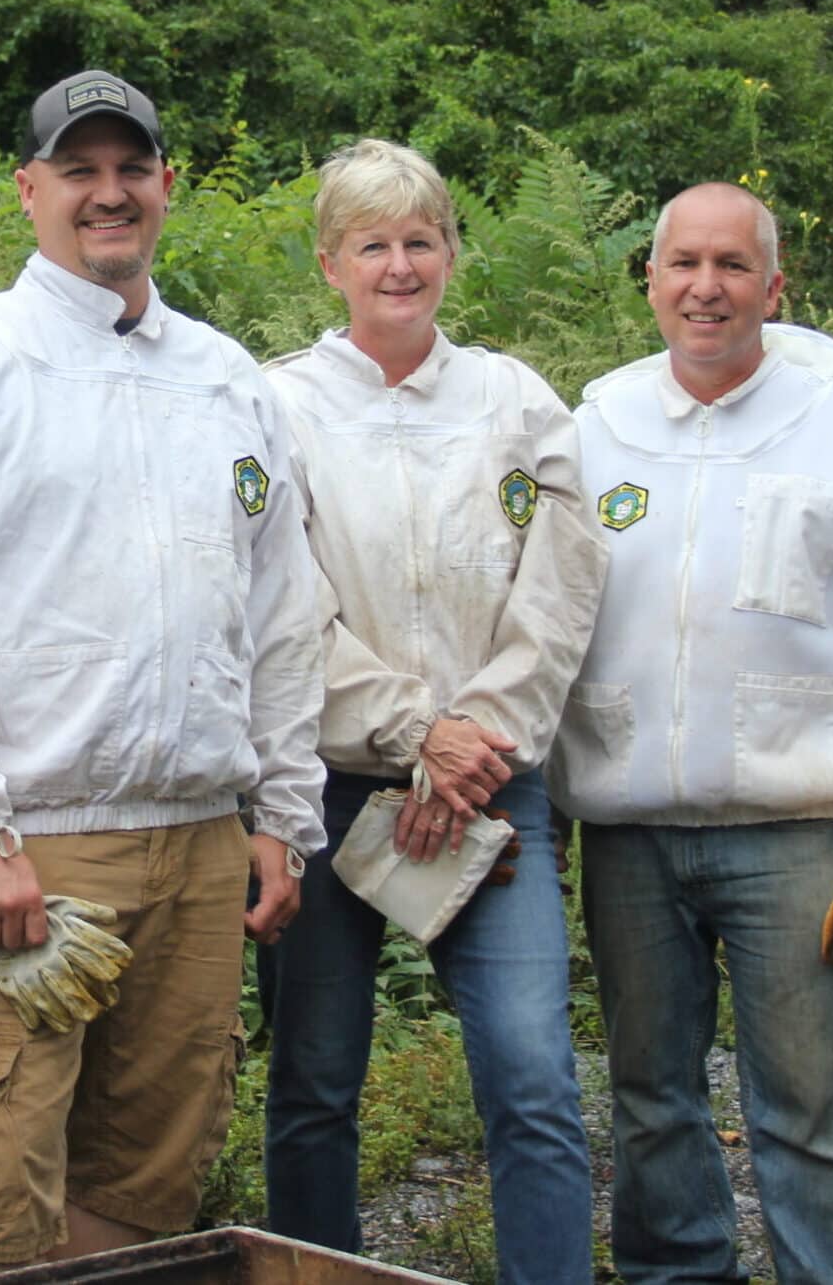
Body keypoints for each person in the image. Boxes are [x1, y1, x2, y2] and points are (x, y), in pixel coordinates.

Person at [0, 69, 328, 1280]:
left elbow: (278, 613)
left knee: (142, 1182)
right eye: (79, 171)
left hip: (202, 849)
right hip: (39, 856)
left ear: (166, 186)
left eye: (131, 170)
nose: (107, 195)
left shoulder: (224, 378)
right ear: (28, 191)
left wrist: (280, 815)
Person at [551, 181, 833, 1284]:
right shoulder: (595, 427)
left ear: (773, 287)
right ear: (647, 281)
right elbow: (547, 623)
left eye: (731, 266)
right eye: (681, 263)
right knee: (647, 1101)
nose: (704, 287)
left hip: (791, 836)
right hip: (628, 837)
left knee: (809, 1108)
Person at [259, 138, 609, 1282]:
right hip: (325, 792)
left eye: (420, 241)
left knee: (529, 1071)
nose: (398, 265)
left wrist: (468, 750)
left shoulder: (515, 401)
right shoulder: (274, 406)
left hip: (488, 789)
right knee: (314, 1077)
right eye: (373, 244)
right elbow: (273, 605)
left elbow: (560, 589)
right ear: (329, 264)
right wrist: (415, 735)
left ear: (451, 253)